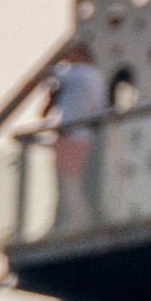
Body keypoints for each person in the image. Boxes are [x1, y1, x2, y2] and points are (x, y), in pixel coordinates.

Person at [48, 43, 105, 234]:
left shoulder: (79, 73)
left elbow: (48, 74)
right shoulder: (96, 77)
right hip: (85, 136)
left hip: (71, 136)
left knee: (68, 184)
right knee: (74, 184)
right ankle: (71, 222)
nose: (68, 59)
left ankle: (77, 223)